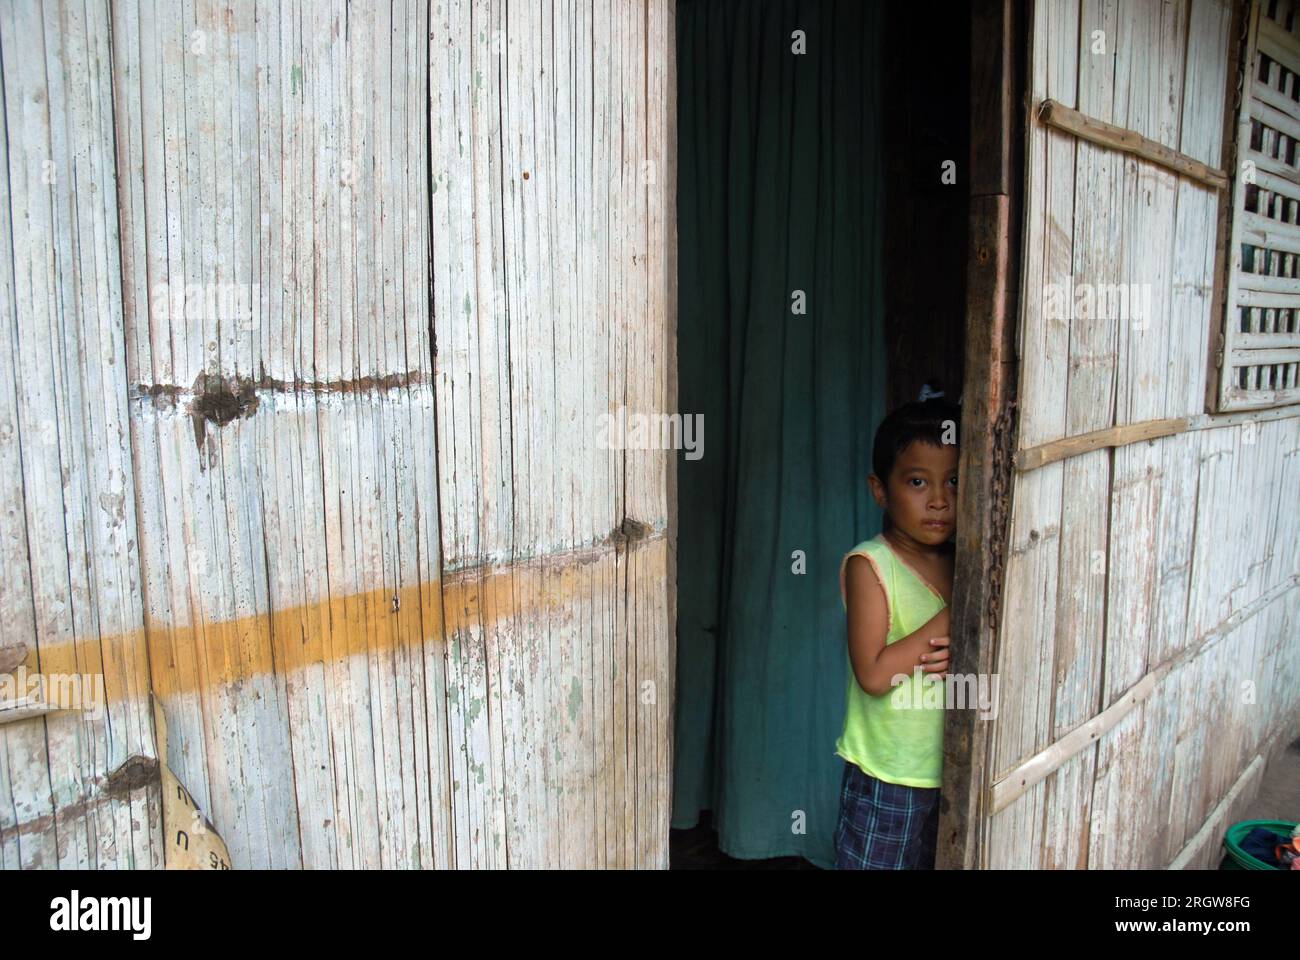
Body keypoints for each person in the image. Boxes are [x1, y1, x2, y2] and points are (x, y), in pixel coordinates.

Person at [833, 391, 960, 869]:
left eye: (953, 480)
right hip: (888, 775)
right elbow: (873, 672)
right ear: (880, 490)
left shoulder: (964, 559)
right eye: (917, 482)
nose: (940, 500)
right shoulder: (873, 565)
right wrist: (954, 617)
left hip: (953, 769)